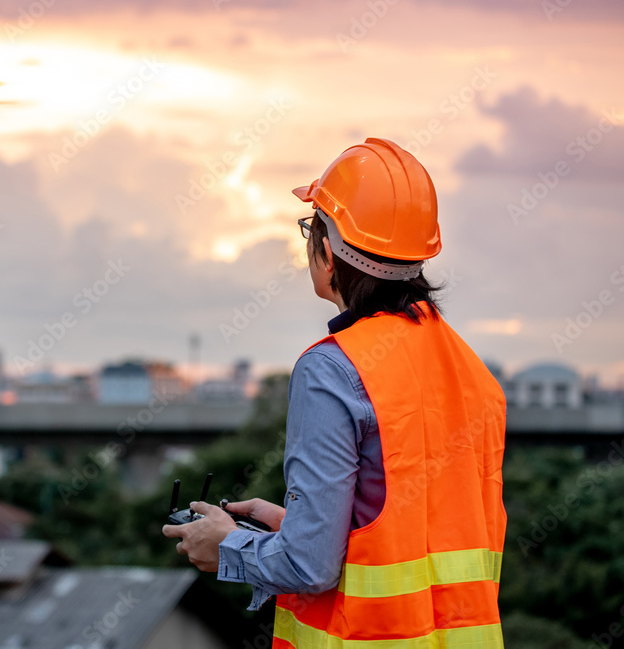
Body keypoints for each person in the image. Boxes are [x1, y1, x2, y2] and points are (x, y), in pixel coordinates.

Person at [162, 138, 507, 647]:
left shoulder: (332, 369)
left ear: (327, 253)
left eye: (311, 229)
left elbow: (309, 567)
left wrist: (228, 548)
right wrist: (297, 525)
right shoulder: (471, 372)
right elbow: (414, 529)